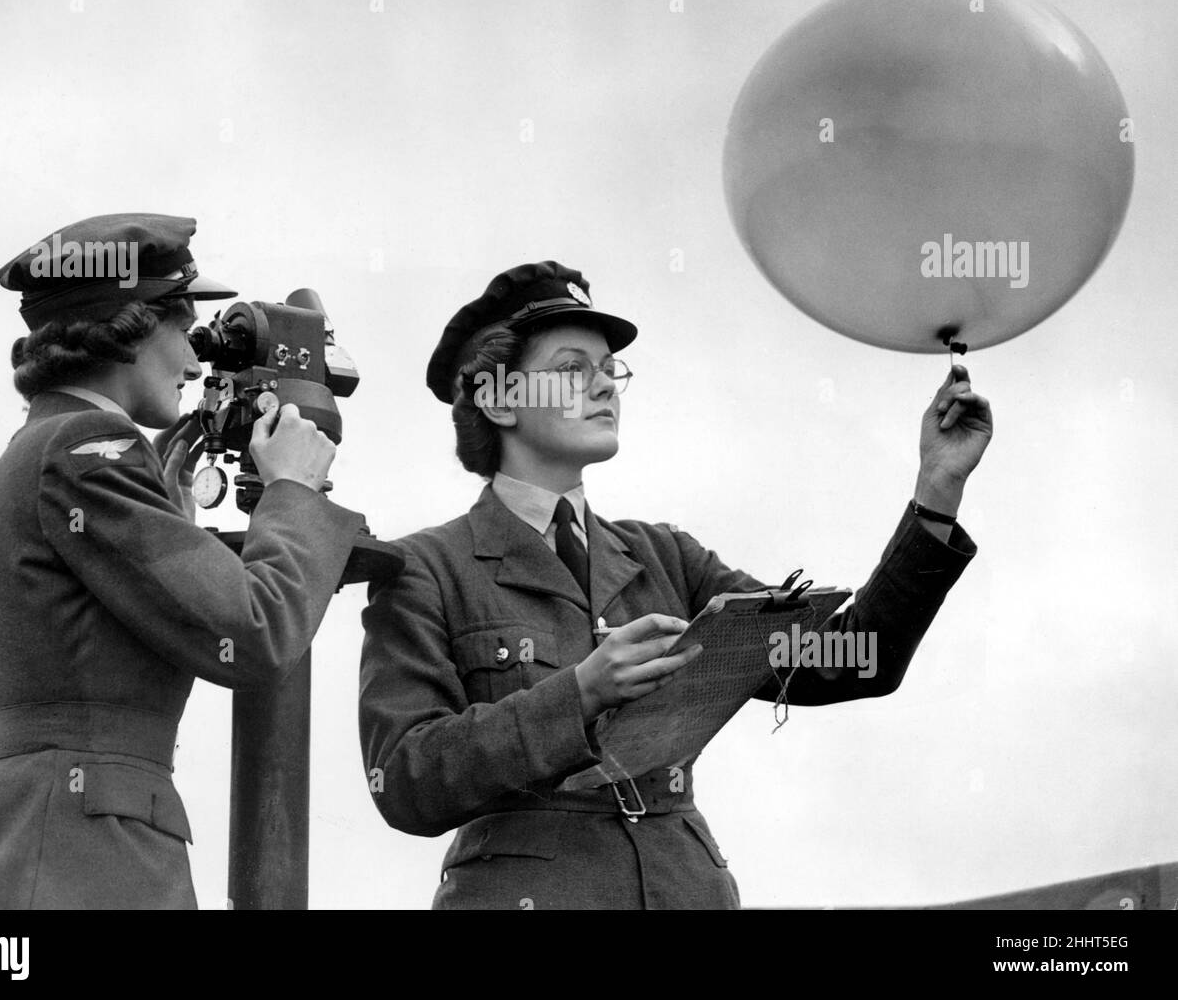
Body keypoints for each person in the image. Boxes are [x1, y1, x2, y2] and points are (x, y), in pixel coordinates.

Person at [359, 260, 991, 909]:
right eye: (573, 370)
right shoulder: (424, 570)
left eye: (610, 370)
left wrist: (937, 490)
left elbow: (858, 657)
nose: (604, 386)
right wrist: (576, 695)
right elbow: (406, 778)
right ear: (496, 398)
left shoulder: (667, 557)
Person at [0, 213, 364, 909]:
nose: (195, 361)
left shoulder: (46, 446)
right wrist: (291, 491)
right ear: (127, 327)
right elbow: (253, 631)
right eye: (183, 327)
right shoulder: (89, 446)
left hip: (46, 840)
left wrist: (171, 490)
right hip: (87, 853)